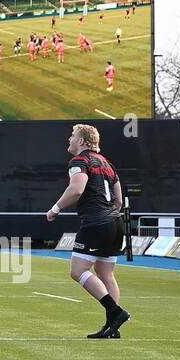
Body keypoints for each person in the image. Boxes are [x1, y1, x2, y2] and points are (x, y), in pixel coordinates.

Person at [45, 124, 130, 339]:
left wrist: (55, 208)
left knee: (77, 270)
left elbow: (77, 188)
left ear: (82, 141)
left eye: (72, 136)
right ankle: (113, 328)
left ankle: (115, 312)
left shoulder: (79, 161)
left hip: (96, 223)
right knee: (106, 274)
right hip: (115, 223)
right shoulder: (107, 164)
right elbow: (119, 199)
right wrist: (109, 215)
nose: (69, 139)